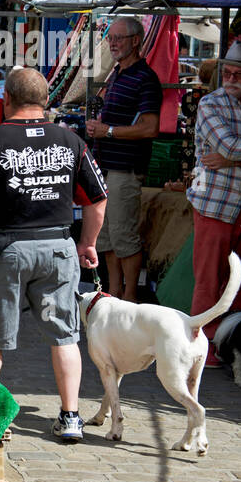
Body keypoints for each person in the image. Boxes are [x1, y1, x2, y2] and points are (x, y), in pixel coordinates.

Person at [0, 68, 107, 442]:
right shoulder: (71, 141)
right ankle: (70, 417)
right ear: (46, 102)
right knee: (65, 336)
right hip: (59, 248)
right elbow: (98, 199)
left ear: (6, 102)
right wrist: (88, 243)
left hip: (7, 249)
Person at [85, 16, 162, 302]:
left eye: (119, 38)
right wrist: (100, 126)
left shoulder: (146, 78)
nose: (113, 42)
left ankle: (129, 298)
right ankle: (112, 293)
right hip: (107, 167)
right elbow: (117, 122)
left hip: (125, 170)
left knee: (123, 236)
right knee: (106, 236)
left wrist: (109, 131)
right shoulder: (118, 73)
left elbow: (150, 127)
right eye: (110, 37)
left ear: (135, 41)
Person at [188, 41, 241, 363]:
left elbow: (232, 151)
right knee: (208, 281)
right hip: (215, 205)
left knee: (240, 283)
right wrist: (235, 157)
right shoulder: (211, 105)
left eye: (239, 74)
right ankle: (201, 349)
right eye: (227, 73)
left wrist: (234, 161)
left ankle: (228, 346)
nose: (231, 79)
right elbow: (227, 144)